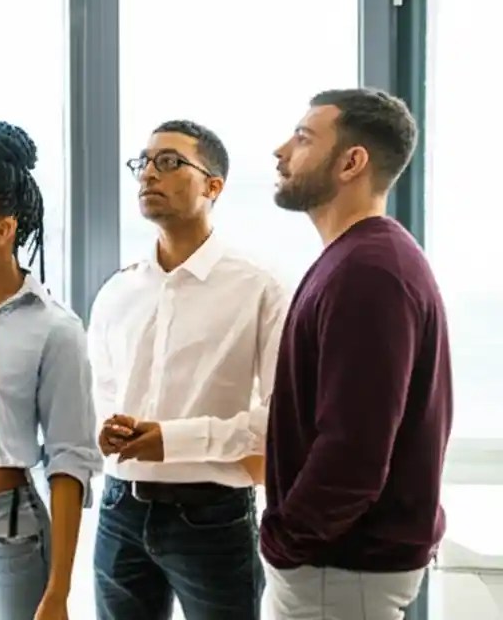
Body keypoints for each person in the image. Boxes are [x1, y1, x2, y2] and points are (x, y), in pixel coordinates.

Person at [87, 120, 288, 620]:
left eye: (169, 162)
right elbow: (102, 394)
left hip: (212, 513)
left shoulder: (259, 287)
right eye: (144, 162)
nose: (148, 174)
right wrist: (105, 431)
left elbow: (281, 421)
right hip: (119, 508)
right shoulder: (117, 291)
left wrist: (173, 441)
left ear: (213, 186)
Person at [263, 89, 452, 619]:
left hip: (339, 568)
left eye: (303, 138)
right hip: (337, 565)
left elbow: (355, 451)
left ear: (352, 162)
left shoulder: (369, 272)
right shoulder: (360, 259)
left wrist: (285, 540)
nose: (281, 151)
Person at [0, 122, 100, 620]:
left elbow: (70, 460)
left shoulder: (54, 328)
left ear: (3, 230)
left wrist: (59, 591)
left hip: (8, 535)